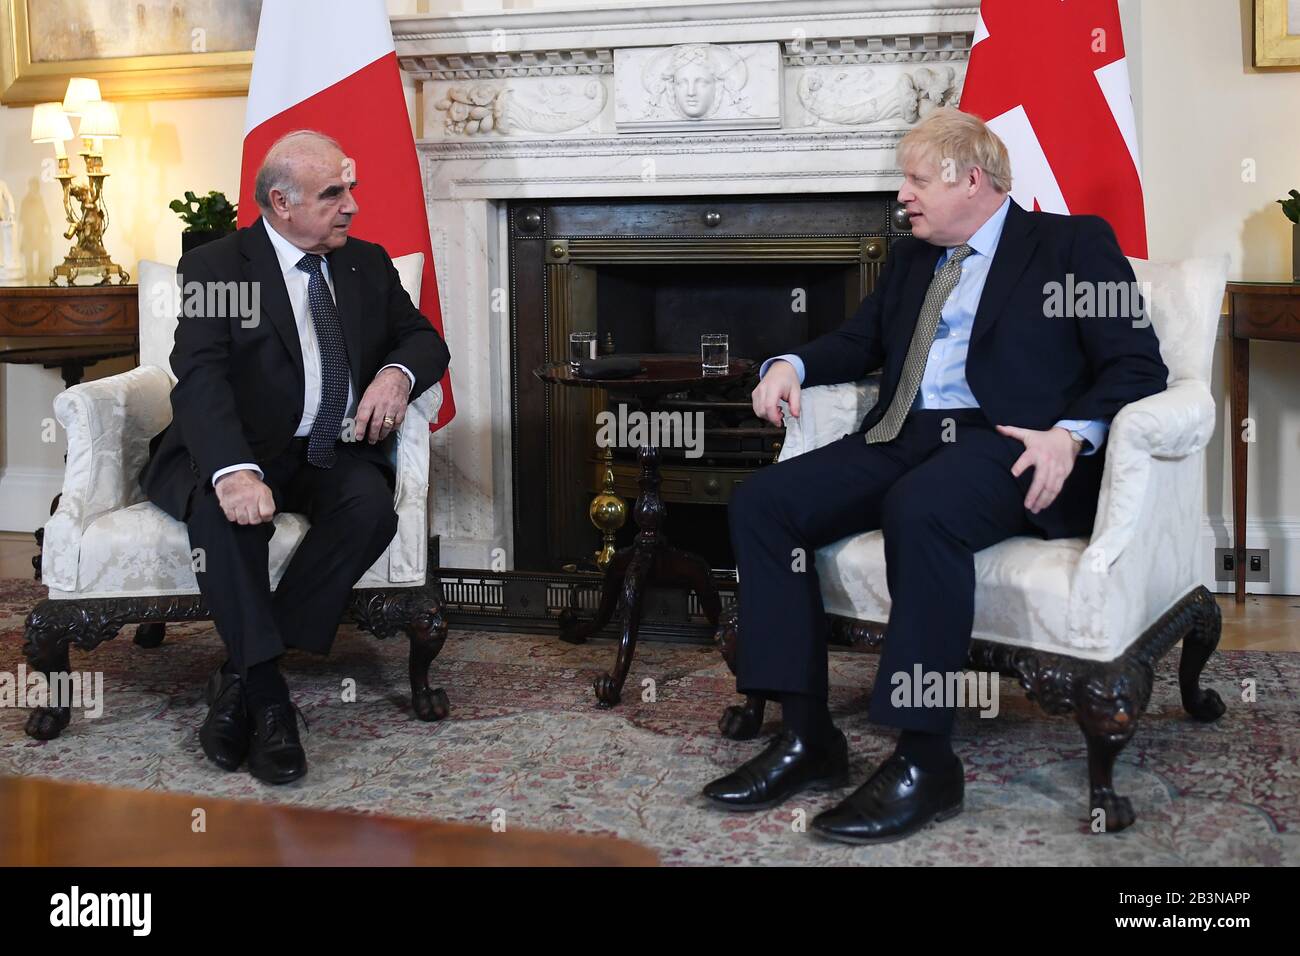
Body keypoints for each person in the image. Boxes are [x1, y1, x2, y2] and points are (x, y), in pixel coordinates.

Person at [702, 108, 1168, 844]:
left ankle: (925, 759)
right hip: (901, 434)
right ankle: (806, 736)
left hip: (1005, 442)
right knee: (764, 502)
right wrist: (790, 363)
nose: (902, 196)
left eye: (917, 180)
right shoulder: (914, 257)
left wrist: (1070, 437)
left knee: (921, 508)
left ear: (972, 179)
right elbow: (861, 342)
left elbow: (1138, 364)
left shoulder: (1071, 245)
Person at [139, 129, 450, 784]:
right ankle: (269, 699)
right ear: (281, 202)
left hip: (325, 451)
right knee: (228, 517)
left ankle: (243, 675)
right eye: (333, 193)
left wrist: (396, 373)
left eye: (350, 188)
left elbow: (424, 339)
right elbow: (199, 375)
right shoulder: (218, 267)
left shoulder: (366, 263)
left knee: (371, 509)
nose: (351, 206)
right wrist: (233, 469)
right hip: (238, 448)